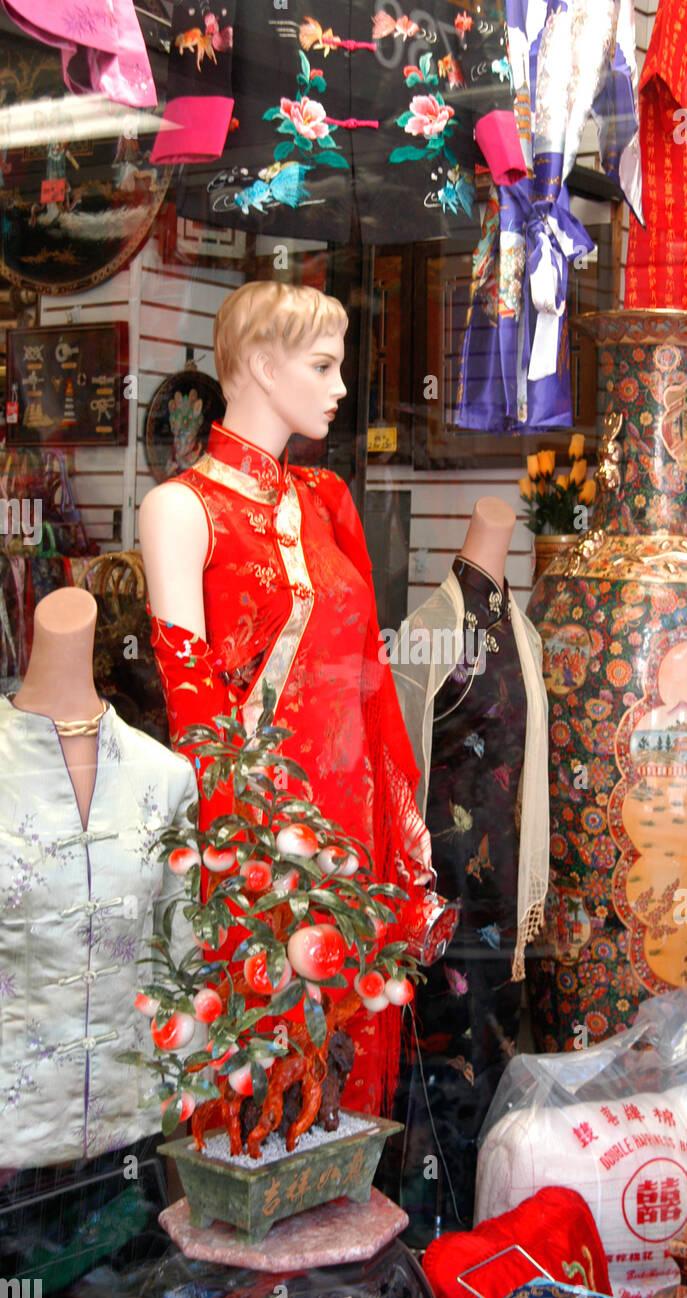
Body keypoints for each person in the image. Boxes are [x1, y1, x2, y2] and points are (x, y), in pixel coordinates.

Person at [140, 281, 431, 1113]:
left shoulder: (325, 503)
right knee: (263, 1075)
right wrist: (253, 870)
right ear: (264, 366)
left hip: (350, 838)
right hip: (260, 850)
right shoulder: (180, 509)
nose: (341, 388)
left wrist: (383, 838)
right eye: (324, 365)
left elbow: (366, 683)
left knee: (350, 1072)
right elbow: (194, 709)